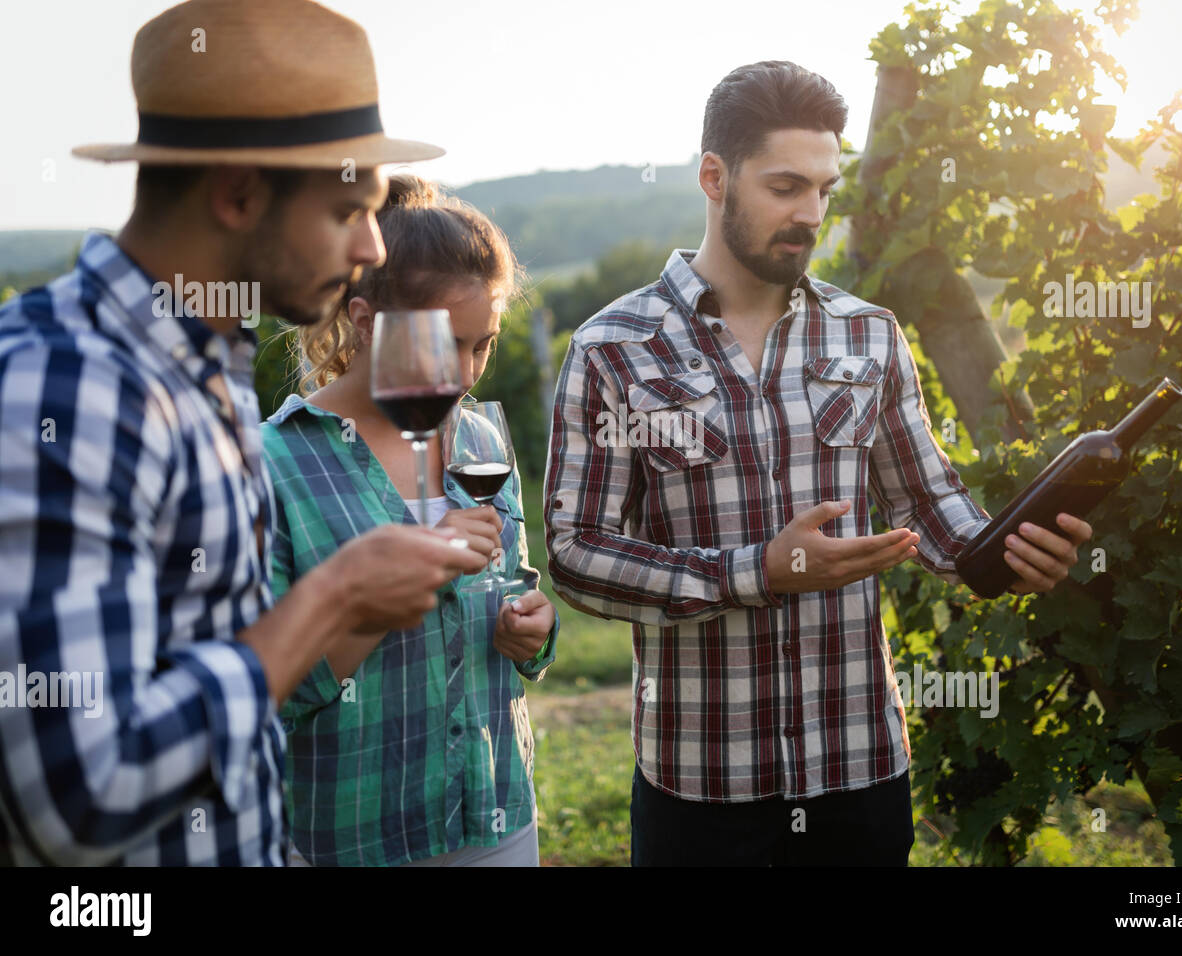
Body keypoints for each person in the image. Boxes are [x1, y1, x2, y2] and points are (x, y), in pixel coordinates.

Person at [542, 60, 1094, 867]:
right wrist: (754, 570)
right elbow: (575, 553)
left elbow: (930, 505)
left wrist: (1004, 554)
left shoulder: (868, 335)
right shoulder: (613, 350)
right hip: (704, 784)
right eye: (786, 186)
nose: (810, 213)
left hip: (859, 772)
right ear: (713, 176)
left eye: (825, 190)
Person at [0, 0, 485, 866]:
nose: (373, 244)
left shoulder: (211, 357)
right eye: (348, 210)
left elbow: (220, 696)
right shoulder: (66, 384)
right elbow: (78, 798)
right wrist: (333, 598)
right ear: (237, 192)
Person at [262, 173, 558, 867]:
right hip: (354, 837)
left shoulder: (482, 441)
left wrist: (533, 632)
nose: (464, 374)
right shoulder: (274, 464)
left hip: (495, 820)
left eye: (481, 344)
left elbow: (513, 589)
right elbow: (264, 695)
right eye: (443, 343)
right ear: (366, 322)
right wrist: (385, 592)